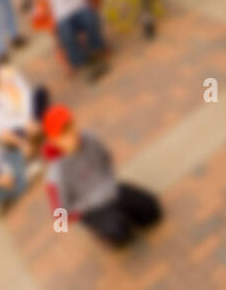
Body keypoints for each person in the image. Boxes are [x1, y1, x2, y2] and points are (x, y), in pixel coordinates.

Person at [43, 105, 161, 246]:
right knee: (121, 234)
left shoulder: (90, 138)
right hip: (92, 210)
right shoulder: (55, 175)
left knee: (153, 210)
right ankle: (106, 225)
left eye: (70, 127)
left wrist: (109, 183)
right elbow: (59, 217)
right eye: (63, 134)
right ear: (54, 140)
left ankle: (125, 213)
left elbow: (106, 159)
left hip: (111, 190)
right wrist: (83, 211)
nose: (71, 135)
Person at [0, 52, 46, 159]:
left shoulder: (9, 73)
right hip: (13, 124)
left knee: (40, 92)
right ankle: (28, 139)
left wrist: (29, 118)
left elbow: (26, 93)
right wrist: (23, 124)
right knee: (1, 134)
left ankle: (33, 132)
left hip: (25, 113)